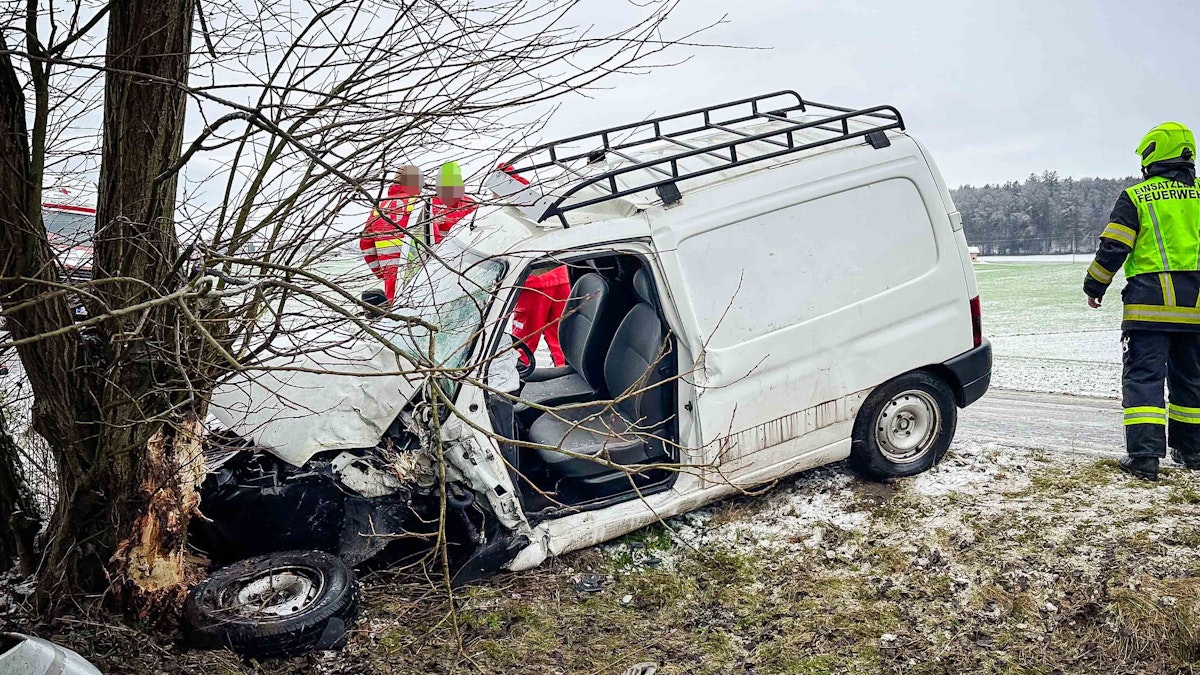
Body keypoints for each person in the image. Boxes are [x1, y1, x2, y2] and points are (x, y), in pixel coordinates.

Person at [1085, 122, 1200, 480]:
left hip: (1148, 309)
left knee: (1144, 380)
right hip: (1196, 310)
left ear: (1152, 155)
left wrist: (1095, 284)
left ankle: (1145, 458)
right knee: (1191, 381)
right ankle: (1192, 451)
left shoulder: (1137, 197)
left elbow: (1115, 247)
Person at [489, 163, 571, 368]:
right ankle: (565, 374)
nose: (491, 196)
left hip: (533, 283)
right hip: (560, 276)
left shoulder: (507, 208)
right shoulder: (537, 200)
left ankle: (514, 388)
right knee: (561, 338)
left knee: (523, 343)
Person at [360, 165, 422, 303]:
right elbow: (432, 236)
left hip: (390, 278)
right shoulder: (419, 203)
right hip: (418, 275)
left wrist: (383, 273)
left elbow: (365, 244)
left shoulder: (379, 207)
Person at [429, 161, 477, 244]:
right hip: (433, 249)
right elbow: (418, 230)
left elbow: (477, 229)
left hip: (460, 248)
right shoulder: (429, 204)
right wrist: (432, 225)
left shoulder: (470, 205)